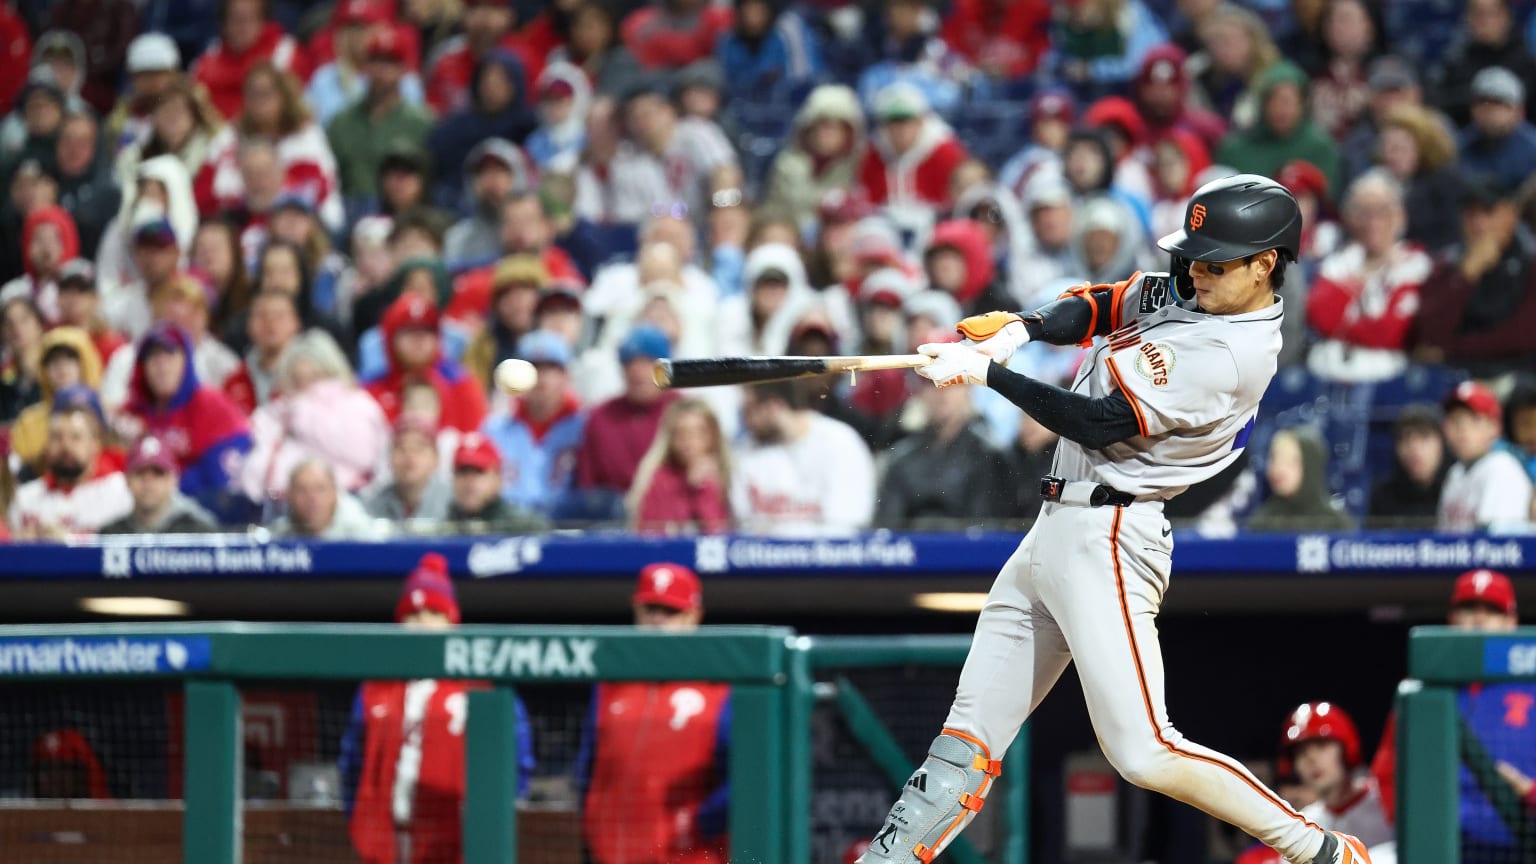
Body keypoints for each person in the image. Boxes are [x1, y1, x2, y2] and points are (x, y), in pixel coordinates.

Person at [857, 175, 1374, 864]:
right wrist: (1022, 328)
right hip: (1054, 527)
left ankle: (1322, 851)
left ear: (1266, 264)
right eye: (1194, 255)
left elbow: (1100, 424)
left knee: (1144, 752)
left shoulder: (1233, 356)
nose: (1195, 271)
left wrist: (988, 376)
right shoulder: (1202, 284)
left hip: (1111, 535)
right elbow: (1104, 303)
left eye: (1216, 261)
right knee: (966, 739)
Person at [339, 552, 536, 864]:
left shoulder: (482, 685)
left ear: (451, 622)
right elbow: (351, 765)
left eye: (433, 613)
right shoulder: (375, 687)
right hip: (385, 842)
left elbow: (516, 763)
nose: (422, 624)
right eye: (413, 615)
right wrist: (361, 824)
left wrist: (488, 829)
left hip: (456, 845)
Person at [575, 561, 729, 863]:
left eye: (671, 612)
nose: (658, 621)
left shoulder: (719, 689)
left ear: (693, 617)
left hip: (686, 857)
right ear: (636, 612)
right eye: (650, 609)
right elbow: (588, 770)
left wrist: (697, 824)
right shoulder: (610, 684)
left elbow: (744, 780)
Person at [1304, 170, 1432, 383]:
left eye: (1382, 211)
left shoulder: (1415, 263)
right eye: (1363, 212)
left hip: (1389, 380)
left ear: (1400, 215)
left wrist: (1346, 324)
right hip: (1326, 376)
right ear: (1349, 218)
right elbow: (1320, 318)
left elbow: (1390, 333)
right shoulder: (1339, 261)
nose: (1373, 222)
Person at [118, 322, 252, 521]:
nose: (161, 365)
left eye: (170, 355)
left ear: (186, 361)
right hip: (140, 515)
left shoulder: (213, 405)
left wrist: (167, 487)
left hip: (203, 516)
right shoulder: (131, 413)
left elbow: (221, 481)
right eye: (153, 357)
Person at [241, 330, 389, 505]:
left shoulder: (357, 404)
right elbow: (257, 457)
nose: (306, 387)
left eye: (314, 378)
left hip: (348, 503)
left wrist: (304, 415)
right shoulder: (276, 411)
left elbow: (363, 455)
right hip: (280, 505)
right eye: (298, 379)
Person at [1413, 177, 1536, 378]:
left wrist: (1450, 349)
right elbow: (1430, 335)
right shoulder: (1445, 266)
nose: (1478, 225)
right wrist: (1466, 276)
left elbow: (1523, 337)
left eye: (1488, 213)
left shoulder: (1531, 265)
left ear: (1511, 216)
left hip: (1516, 376)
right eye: (1470, 214)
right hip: (1454, 377)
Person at [731, 379, 875, 537]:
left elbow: (845, 527)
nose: (746, 421)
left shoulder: (840, 442)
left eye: (749, 410)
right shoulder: (747, 451)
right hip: (763, 557)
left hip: (828, 556)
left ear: (774, 406)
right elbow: (742, 525)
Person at [876, 376, 1008, 529]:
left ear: (968, 390)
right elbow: (888, 528)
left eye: (952, 384)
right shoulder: (901, 458)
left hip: (968, 550)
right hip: (914, 548)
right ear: (921, 392)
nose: (942, 392)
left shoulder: (989, 456)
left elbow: (986, 529)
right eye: (933, 384)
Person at [479, 329, 584, 515]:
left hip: (567, 532)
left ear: (566, 375)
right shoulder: (494, 429)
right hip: (506, 530)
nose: (540, 377)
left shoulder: (584, 429)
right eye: (532, 367)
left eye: (550, 368)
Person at [326, 29, 435, 206]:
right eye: (375, 62)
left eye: (389, 63)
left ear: (402, 70)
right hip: (351, 209)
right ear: (365, 67)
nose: (381, 71)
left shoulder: (421, 123)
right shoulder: (341, 122)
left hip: (402, 212)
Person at [574, 326, 678, 507]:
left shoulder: (683, 413)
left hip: (672, 519)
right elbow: (587, 489)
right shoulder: (600, 418)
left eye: (648, 362)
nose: (638, 372)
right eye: (629, 363)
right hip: (612, 524)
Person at [9, 387, 131, 537]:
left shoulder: (120, 492)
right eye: (57, 437)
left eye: (76, 437)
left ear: (95, 444)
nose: (66, 446)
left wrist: (68, 541)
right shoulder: (24, 499)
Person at [364, 293, 488, 434]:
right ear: (390, 338)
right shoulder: (371, 389)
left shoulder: (461, 384)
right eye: (409, 331)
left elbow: (475, 441)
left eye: (427, 331)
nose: (419, 340)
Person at [1216, 60, 1342, 194]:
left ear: (1303, 103)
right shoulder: (1234, 150)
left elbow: (1328, 200)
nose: (1280, 109)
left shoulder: (1321, 148)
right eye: (1273, 100)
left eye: (1287, 101)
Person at [1281, 703, 1393, 848]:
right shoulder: (1302, 829)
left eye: (1321, 746)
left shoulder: (1386, 801)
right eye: (1301, 753)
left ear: (1347, 750)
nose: (1311, 758)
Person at [764, 85, 867, 232]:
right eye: (822, 126)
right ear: (808, 129)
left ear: (849, 133)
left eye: (835, 128)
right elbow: (773, 210)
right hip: (791, 235)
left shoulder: (858, 165)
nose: (826, 134)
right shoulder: (787, 164)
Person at [857, 82, 968, 213]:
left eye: (907, 120)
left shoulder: (946, 153)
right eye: (894, 121)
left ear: (921, 121)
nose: (902, 129)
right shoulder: (872, 155)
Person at [191, 0, 311, 120]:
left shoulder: (286, 54)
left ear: (263, 19)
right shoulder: (207, 62)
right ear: (224, 23)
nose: (242, 27)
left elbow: (299, 112)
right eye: (235, 18)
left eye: (249, 18)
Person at [1437, 381, 1532, 532]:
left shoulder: (1501, 468)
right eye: (1455, 420)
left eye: (1474, 420)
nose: (1463, 429)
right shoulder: (1455, 473)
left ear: (1495, 427)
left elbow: (1494, 546)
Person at [626, 397, 730, 534]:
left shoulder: (727, 476)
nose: (689, 441)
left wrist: (705, 489)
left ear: (713, 436)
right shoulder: (657, 479)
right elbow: (651, 531)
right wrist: (689, 487)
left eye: (698, 433)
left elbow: (718, 532)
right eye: (680, 433)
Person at [9, 325, 101, 472]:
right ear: (43, 370)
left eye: (70, 359)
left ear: (86, 362)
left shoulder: (104, 416)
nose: (61, 367)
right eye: (53, 361)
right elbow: (16, 472)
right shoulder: (28, 421)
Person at [100, 434, 219, 534]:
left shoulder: (199, 531)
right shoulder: (111, 533)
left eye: (158, 473)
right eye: (140, 473)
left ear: (173, 479)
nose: (148, 483)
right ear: (127, 479)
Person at [1245, 428, 1354, 533]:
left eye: (1290, 462)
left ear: (1311, 467)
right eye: (1274, 459)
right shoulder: (1261, 523)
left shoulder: (1335, 524)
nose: (1278, 469)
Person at [1367, 405, 1448, 529]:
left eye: (1424, 437)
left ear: (1441, 444)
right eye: (1405, 439)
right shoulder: (1383, 495)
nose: (1414, 448)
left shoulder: (1457, 488)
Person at [1456, 67, 1536, 193]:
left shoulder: (1532, 148)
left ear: (1519, 111)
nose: (1489, 110)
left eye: (1498, 103)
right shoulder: (1459, 145)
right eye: (1482, 102)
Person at [446, 433, 549, 531]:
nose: (469, 481)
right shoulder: (442, 530)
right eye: (462, 471)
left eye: (479, 471)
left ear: (498, 478)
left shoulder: (524, 527)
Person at [271, 459, 378, 538]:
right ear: (290, 496)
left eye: (320, 489)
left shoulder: (363, 536)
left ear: (334, 493)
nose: (311, 498)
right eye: (301, 489)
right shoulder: (280, 536)